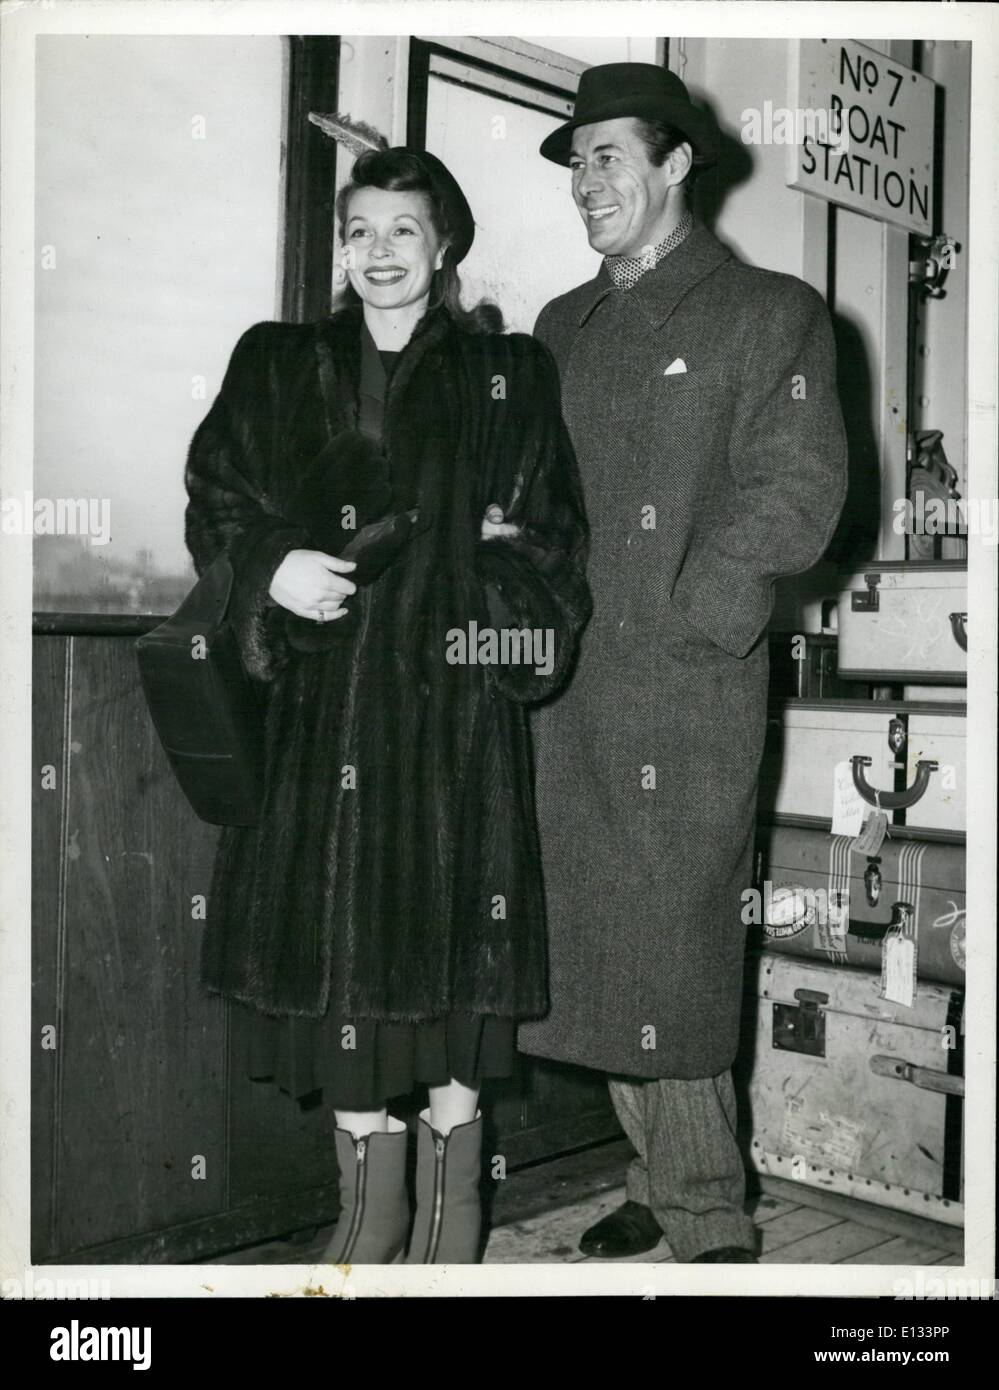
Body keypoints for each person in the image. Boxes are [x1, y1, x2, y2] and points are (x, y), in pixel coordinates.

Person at [183, 136, 591, 1265]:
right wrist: (273, 563)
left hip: (456, 735)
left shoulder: (509, 376)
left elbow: (553, 549)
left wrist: (473, 607)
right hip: (321, 735)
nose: (379, 252)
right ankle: (367, 1234)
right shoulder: (275, 363)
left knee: (459, 993)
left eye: (403, 229)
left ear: (445, 242)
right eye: (359, 230)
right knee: (347, 999)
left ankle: (453, 1241)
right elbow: (217, 492)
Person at [518, 63, 848, 1262]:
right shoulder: (562, 325)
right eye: (576, 160)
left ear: (675, 164)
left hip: (685, 680)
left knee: (676, 936)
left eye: (608, 155)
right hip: (566, 688)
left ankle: (712, 1210)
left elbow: (798, 486)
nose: (585, 182)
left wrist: (689, 608)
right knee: (600, 943)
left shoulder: (772, 311)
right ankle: (656, 1178)